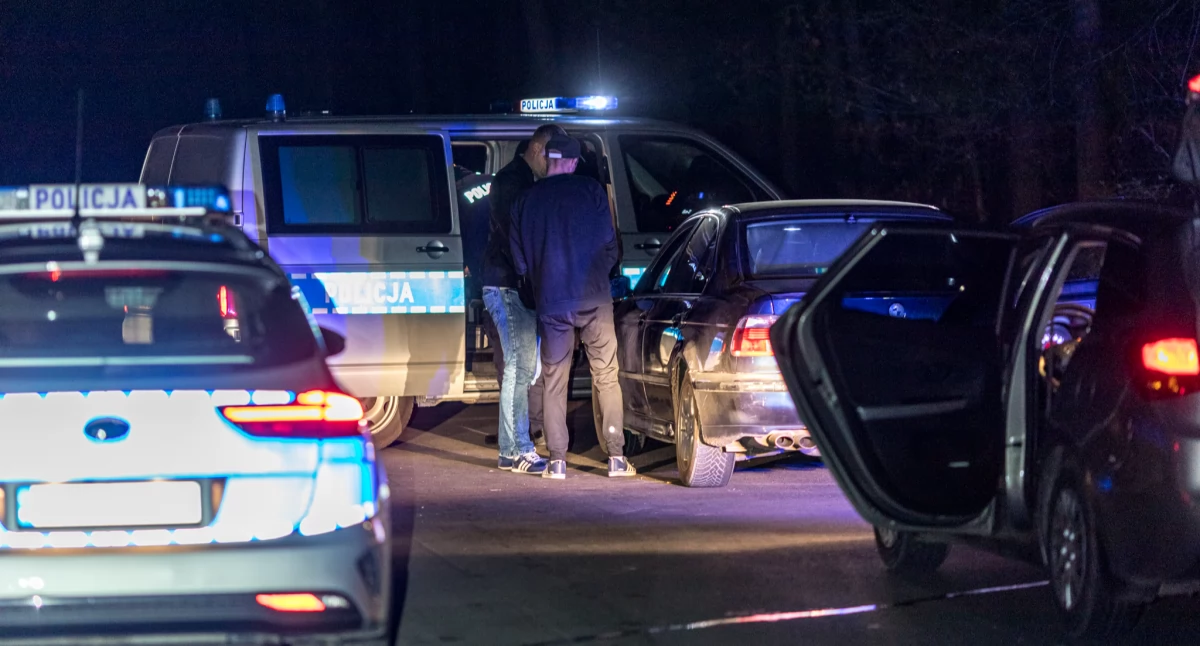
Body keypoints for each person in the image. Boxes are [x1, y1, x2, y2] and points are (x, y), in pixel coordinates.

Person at [509, 134, 635, 480]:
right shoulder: (592, 191)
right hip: (594, 299)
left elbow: (520, 263)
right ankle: (616, 458)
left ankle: (557, 461)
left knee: (553, 381)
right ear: (573, 162)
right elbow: (610, 246)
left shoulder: (525, 201)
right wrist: (599, 274)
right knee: (606, 375)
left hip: (552, 304)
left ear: (548, 159)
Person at [481, 123, 565, 474]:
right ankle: (518, 449)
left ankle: (509, 449)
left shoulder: (517, 180)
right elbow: (518, 233)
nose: (554, 163)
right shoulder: (513, 182)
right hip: (507, 284)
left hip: (507, 283)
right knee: (520, 367)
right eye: (551, 155)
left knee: (520, 366)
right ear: (536, 149)